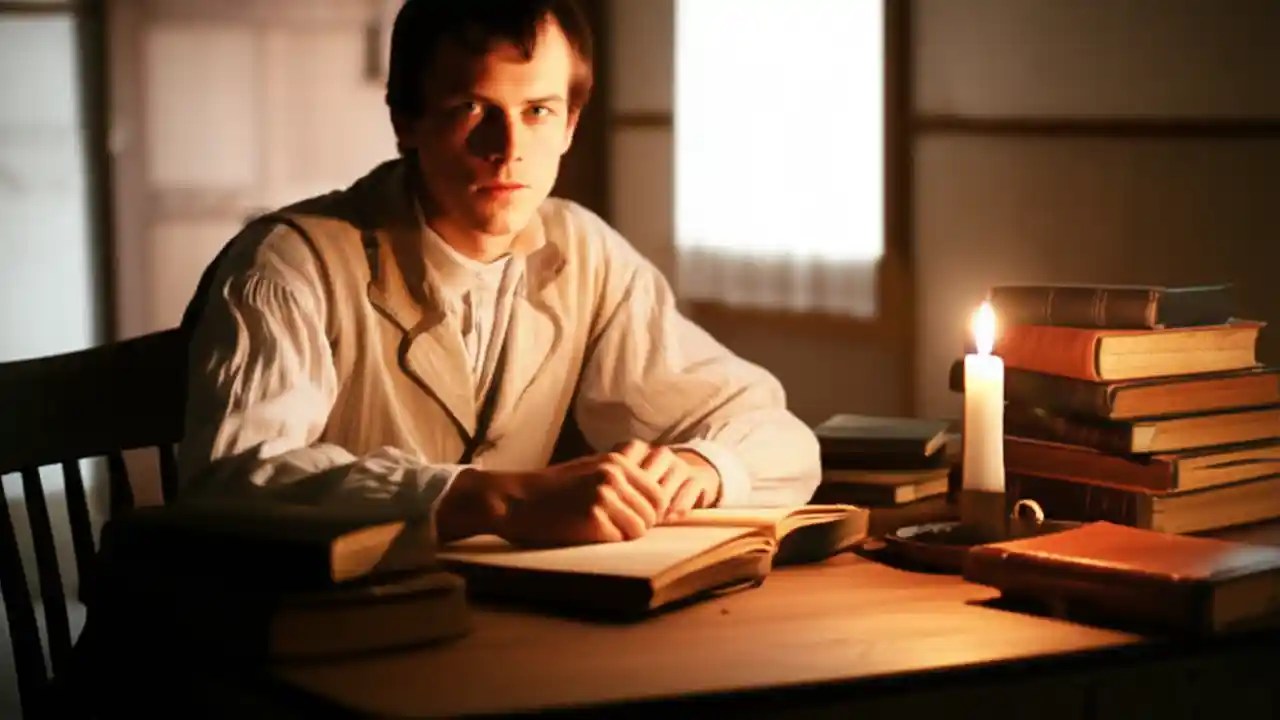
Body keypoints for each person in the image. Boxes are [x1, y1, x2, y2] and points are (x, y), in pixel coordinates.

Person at [177, 0, 821, 549]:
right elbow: (234, 480)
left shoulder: (583, 252)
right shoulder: (291, 263)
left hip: (497, 626)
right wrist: (492, 500)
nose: (507, 146)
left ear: (570, 124)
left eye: (538, 111)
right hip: (305, 638)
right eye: (470, 109)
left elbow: (778, 435)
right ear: (407, 121)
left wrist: (700, 463)